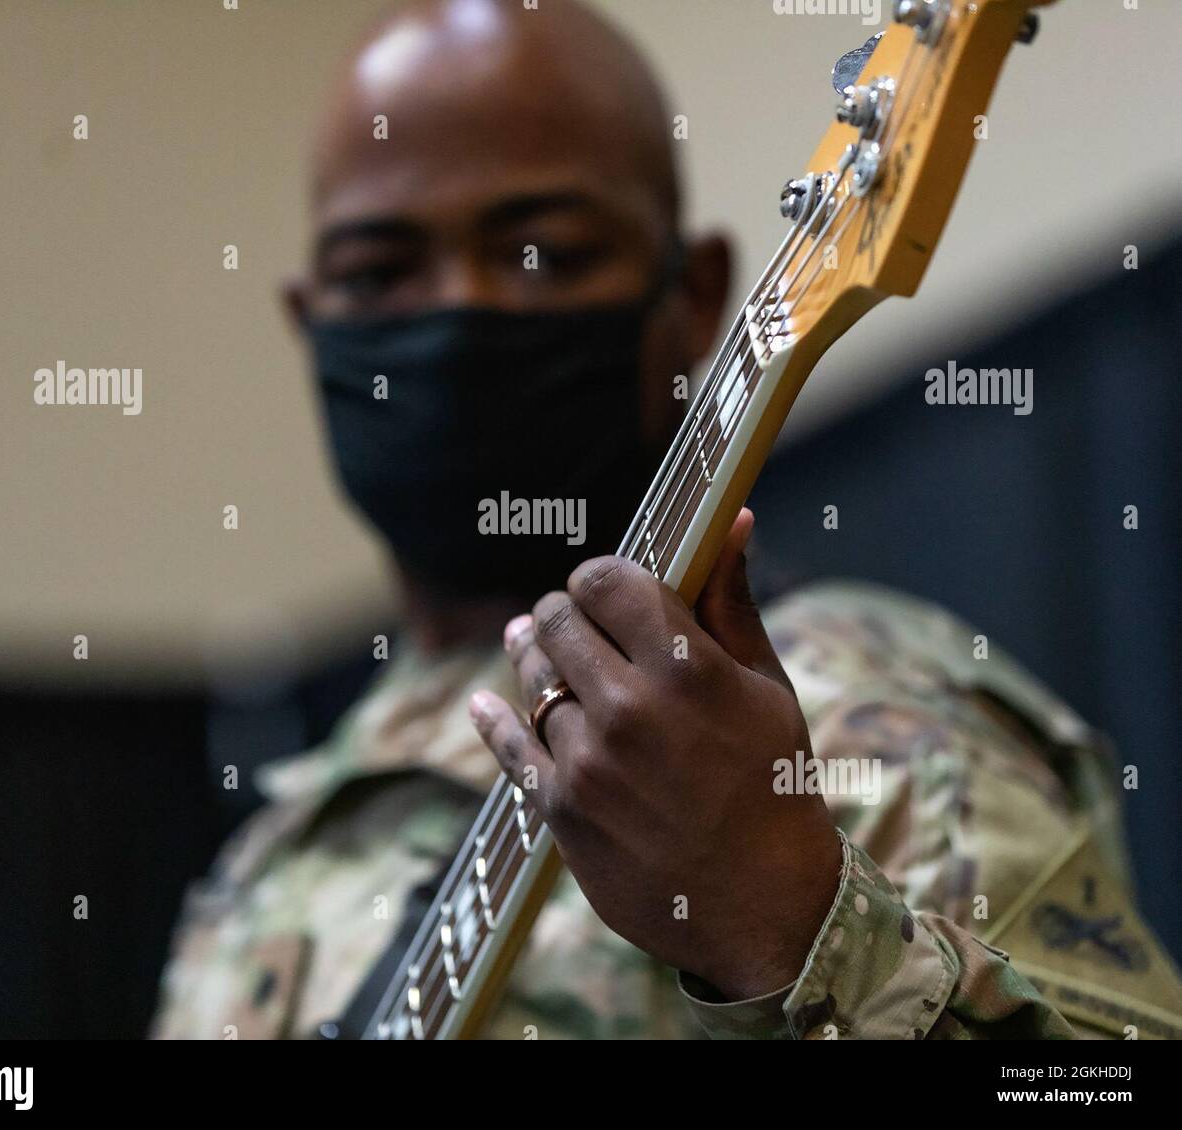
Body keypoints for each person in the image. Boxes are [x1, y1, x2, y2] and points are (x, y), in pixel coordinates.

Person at [152, 0, 1182, 1039]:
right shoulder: (269, 863)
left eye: (540, 252)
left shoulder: (862, 726)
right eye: (378, 273)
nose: (459, 311)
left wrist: (792, 921)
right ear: (307, 319)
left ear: (693, 299)